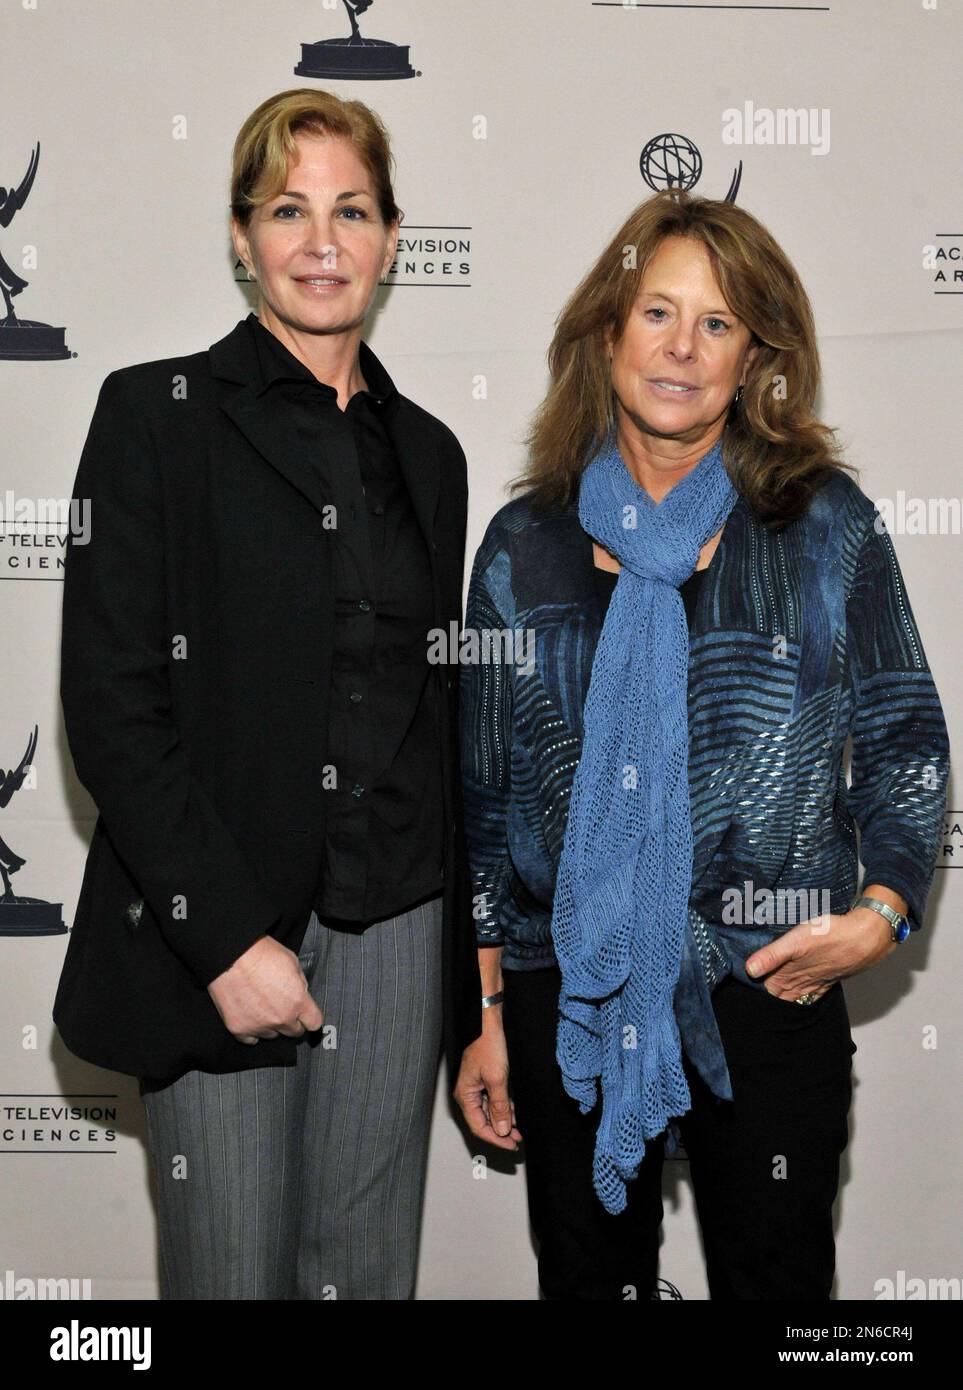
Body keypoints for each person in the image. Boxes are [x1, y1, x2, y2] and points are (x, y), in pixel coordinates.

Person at [454, 190, 950, 1300]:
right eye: (656, 314)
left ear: (757, 358)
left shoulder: (825, 529)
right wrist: (483, 1016)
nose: (681, 348)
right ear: (606, 333)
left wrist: (878, 919)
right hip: (567, 990)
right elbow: (482, 806)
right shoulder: (523, 546)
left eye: (717, 323)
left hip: (766, 985)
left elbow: (909, 736)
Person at [53, 87, 480, 1300]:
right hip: (220, 925)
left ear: (394, 237)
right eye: (288, 210)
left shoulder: (432, 455)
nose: (322, 240)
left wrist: (468, 985)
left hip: (397, 922)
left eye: (352, 209)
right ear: (242, 237)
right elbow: (113, 703)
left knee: (363, 1276)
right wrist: (227, 938)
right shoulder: (155, 416)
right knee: (230, 1274)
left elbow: (431, 712)